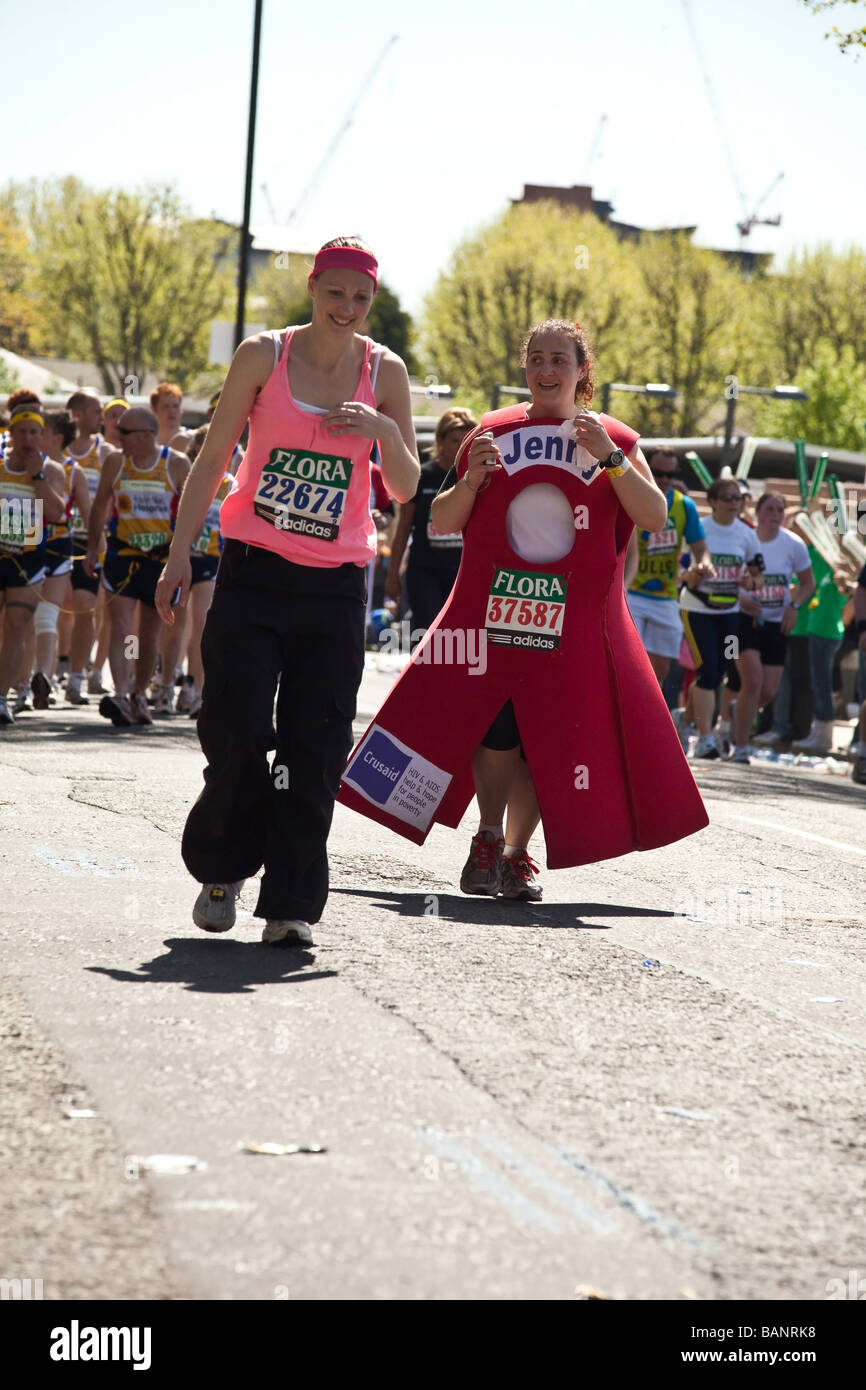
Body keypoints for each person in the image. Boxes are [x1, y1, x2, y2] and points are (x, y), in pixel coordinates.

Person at [338, 319, 708, 901]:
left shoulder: (615, 439)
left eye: (560, 358)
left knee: (546, 738)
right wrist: (473, 479)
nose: (547, 369)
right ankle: (486, 837)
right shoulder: (489, 432)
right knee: (498, 728)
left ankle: (515, 854)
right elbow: (443, 519)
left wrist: (610, 458)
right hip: (497, 610)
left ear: (582, 369)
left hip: (574, 620)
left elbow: (655, 516)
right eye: (537, 358)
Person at [154, 235, 419, 946]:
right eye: (336, 293)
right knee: (237, 725)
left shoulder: (384, 371)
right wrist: (179, 557)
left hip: (334, 586)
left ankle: (291, 904)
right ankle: (226, 865)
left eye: (361, 298)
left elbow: (405, 485)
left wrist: (383, 428)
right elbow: (213, 459)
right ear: (312, 288)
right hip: (253, 570)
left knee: (317, 742)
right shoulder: (262, 355)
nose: (348, 308)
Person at [84, 407, 189, 726]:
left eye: (124, 433)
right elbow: (100, 505)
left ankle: (139, 692)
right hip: (123, 554)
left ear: (145, 435)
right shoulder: (116, 461)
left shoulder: (176, 463)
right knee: (121, 627)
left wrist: (182, 556)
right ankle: (121, 691)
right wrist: (91, 549)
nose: (117, 437)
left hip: (159, 561)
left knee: (149, 633)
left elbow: (193, 513)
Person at [679, 478, 761, 759]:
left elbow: (757, 575)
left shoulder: (747, 533)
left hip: (730, 616)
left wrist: (750, 583)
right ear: (713, 502)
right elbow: (682, 575)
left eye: (738, 498)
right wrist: (695, 574)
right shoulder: (700, 529)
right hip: (698, 611)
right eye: (727, 498)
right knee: (708, 670)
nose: (734, 503)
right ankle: (705, 738)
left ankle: (685, 717)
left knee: (723, 671)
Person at [731, 492, 814, 764]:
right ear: (758, 512)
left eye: (780, 508)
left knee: (768, 691)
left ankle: (734, 715)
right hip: (744, 620)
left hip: (777, 621)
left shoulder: (794, 544)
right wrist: (741, 599)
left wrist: (795, 607)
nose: (776, 513)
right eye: (770, 508)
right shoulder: (746, 540)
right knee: (752, 681)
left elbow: (807, 584)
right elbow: (731, 580)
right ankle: (741, 747)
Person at [385, 407, 477, 640]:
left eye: (466, 440)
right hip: (424, 570)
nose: (460, 447)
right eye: (455, 440)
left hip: (462, 573)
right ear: (441, 441)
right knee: (427, 633)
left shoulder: (476, 478)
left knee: (457, 638)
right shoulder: (423, 476)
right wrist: (393, 574)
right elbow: (403, 527)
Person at [0, 406, 66, 726]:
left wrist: (37, 476)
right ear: (10, 433)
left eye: (34, 432)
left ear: (42, 436)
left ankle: (2, 698)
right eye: (21, 431)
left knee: (17, 627)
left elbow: (55, 513)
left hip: (27, 559)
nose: (28, 438)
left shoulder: (51, 470)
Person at [625, 446, 707, 684]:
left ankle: (646, 716)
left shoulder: (685, 505)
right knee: (629, 661)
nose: (664, 480)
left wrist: (703, 565)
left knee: (659, 670)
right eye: (658, 473)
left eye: (670, 475)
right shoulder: (630, 495)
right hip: (631, 592)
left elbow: (701, 548)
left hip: (667, 596)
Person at [151, 383, 193, 455]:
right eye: (165, 406)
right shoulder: (147, 441)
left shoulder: (192, 438)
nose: (172, 411)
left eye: (176, 406)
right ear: (154, 409)